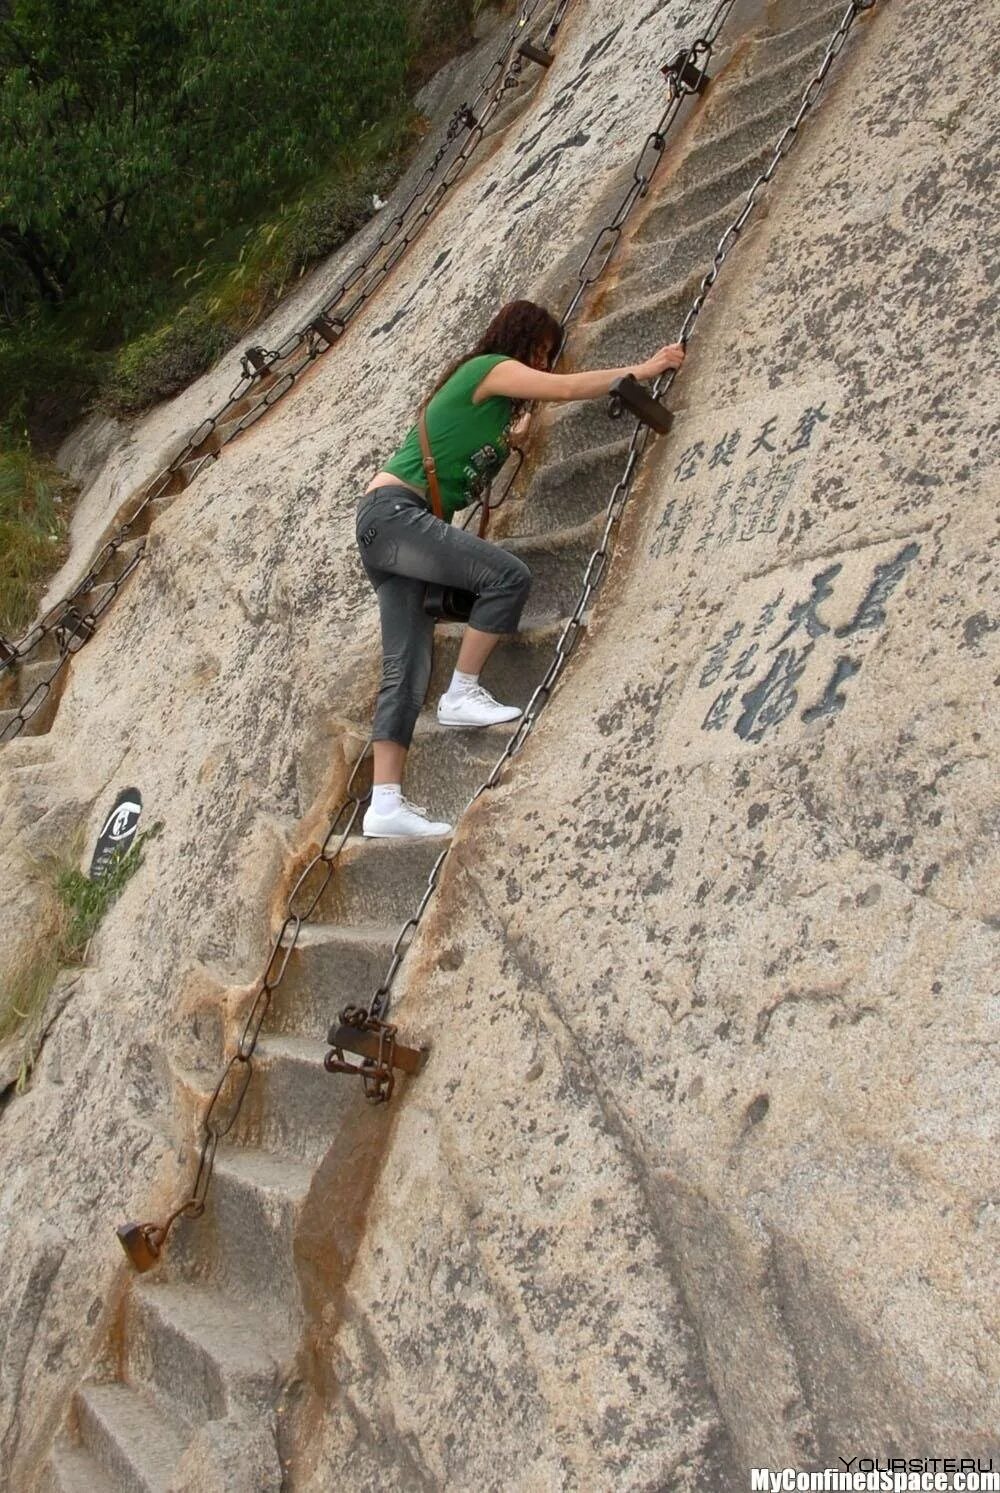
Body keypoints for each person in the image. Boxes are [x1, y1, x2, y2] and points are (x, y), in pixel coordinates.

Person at [356, 298, 685, 838]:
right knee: (506, 576)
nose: (547, 363)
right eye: (544, 352)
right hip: (395, 517)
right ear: (526, 341)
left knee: (404, 669)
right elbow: (565, 389)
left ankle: (385, 804)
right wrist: (643, 370)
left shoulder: (490, 402)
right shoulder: (490, 370)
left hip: (390, 530)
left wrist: (513, 441)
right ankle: (462, 692)